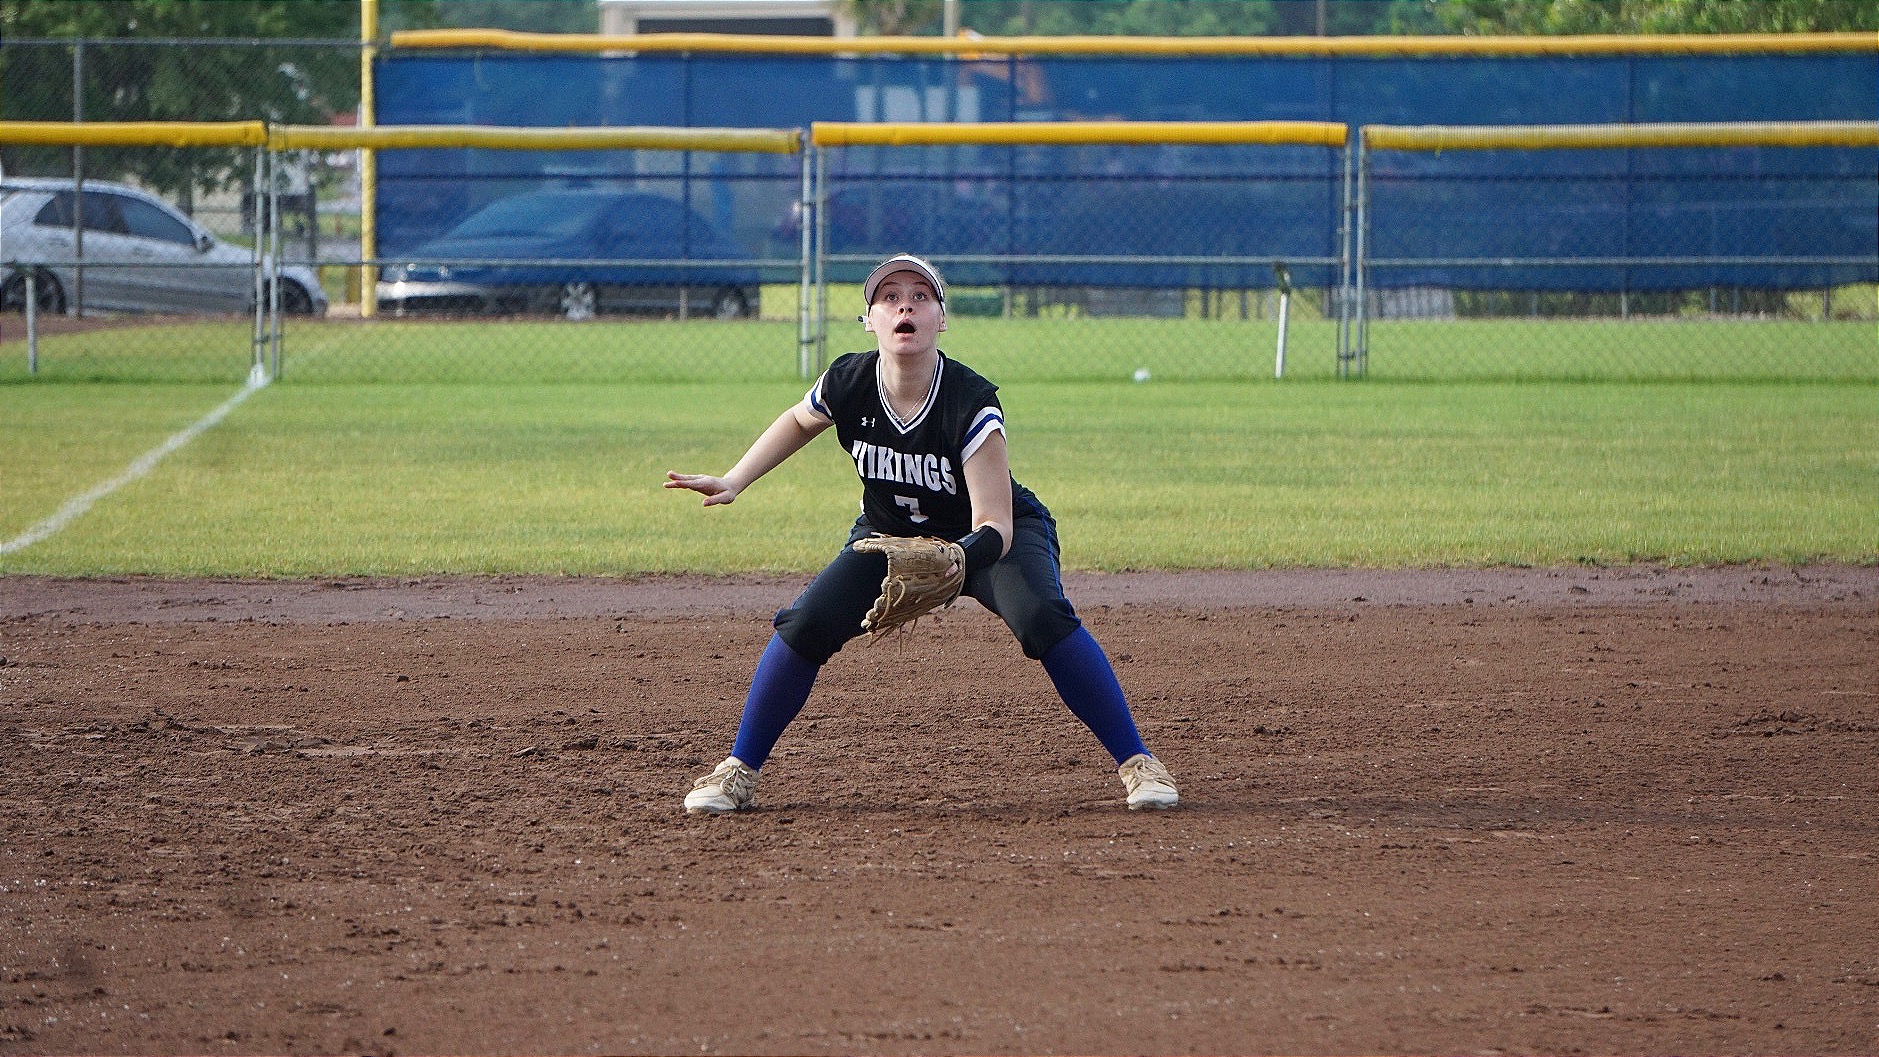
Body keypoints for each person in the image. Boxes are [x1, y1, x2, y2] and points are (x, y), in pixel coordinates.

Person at [664, 253, 1178, 814]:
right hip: (889, 536)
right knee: (806, 624)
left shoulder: (970, 399)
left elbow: (997, 525)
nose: (903, 303)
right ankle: (737, 770)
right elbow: (798, 420)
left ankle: (1138, 762)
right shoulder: (850, 381)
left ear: (940, 319)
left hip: (985, 538)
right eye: (888, 297)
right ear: (870, 321)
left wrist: (957, 559)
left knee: (1041, 618)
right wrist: (736, 479)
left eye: (920, 296)